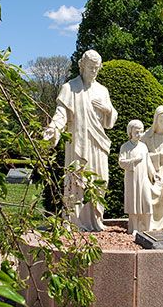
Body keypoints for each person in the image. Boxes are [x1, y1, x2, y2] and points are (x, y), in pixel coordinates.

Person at [43, 50, 117, 231]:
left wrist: (108, 110)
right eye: (90, 67)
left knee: (101, 180)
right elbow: (61, 114)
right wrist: (54, 129)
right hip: (78, 143)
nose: (94, 71)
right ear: (81, 66)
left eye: (97, 68)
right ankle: (75, 222)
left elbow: (110, 122)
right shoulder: (70, 88)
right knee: (77, 181)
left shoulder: (102, 90)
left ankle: (96, 220)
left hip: (98, 143)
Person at [118, 119, 157, 234]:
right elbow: (121, 162)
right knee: (134, 204)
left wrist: (153, 174)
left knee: (147, 201)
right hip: (132, 179)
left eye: (141, 132)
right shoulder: (125, 147)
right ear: (130, 132)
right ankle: (134, 228)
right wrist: (134, 161)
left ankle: (148, 227)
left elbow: (148, 162)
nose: (139, 134)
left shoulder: (143, 146)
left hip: (144, 178)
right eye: (136, 132)